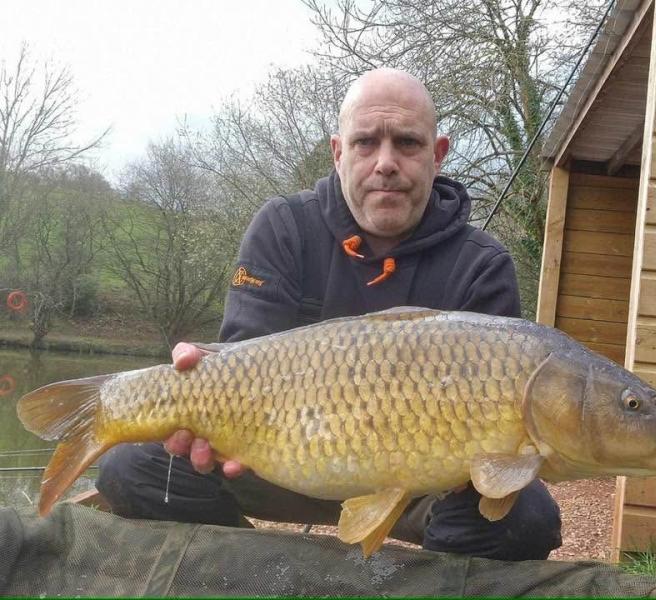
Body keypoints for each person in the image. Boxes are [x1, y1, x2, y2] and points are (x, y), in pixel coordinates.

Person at [97, 68, 562, 561]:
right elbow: (238, 362)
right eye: (366, 143)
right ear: (339, 153)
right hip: (282, 459)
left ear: (438, 154)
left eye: (407, 143)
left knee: (526, 517)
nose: (386, 163)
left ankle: (407, 588)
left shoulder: (482, 264)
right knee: (128, 469)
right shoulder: (282, 226)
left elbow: (499, 442)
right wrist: (197, 399)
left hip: (421, 483)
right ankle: (261, 576)